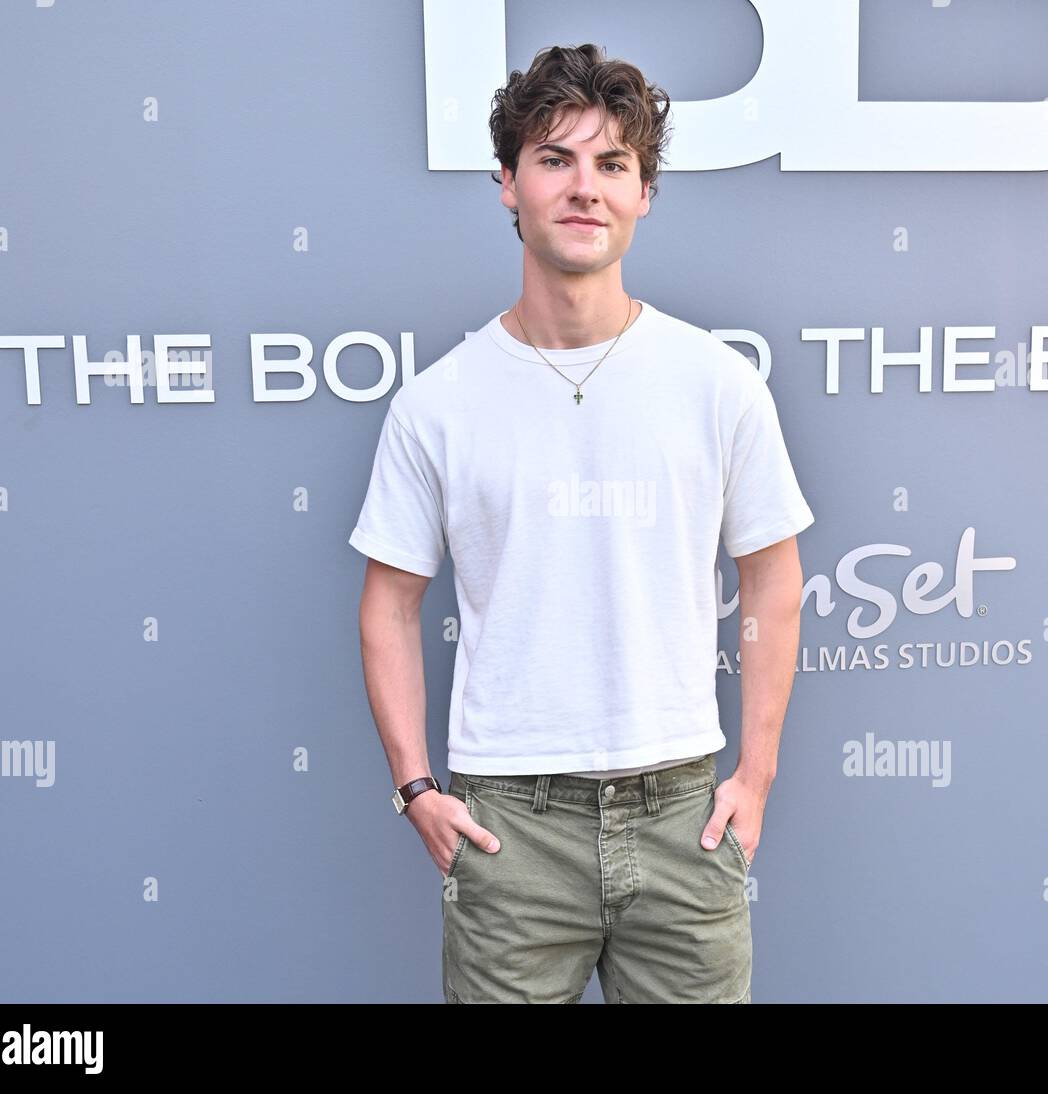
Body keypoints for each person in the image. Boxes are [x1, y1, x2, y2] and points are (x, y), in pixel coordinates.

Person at [350, 43, 813, 1003]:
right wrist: (413, 788)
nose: (583, 188)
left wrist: (756, 774)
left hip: (685, 814)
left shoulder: (716, 383)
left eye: (613, 165)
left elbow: (773, 577)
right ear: (508, 185)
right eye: (555, 159)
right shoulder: (437, 405)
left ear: (645, 193)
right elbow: (389, 603)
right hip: (508, 827)